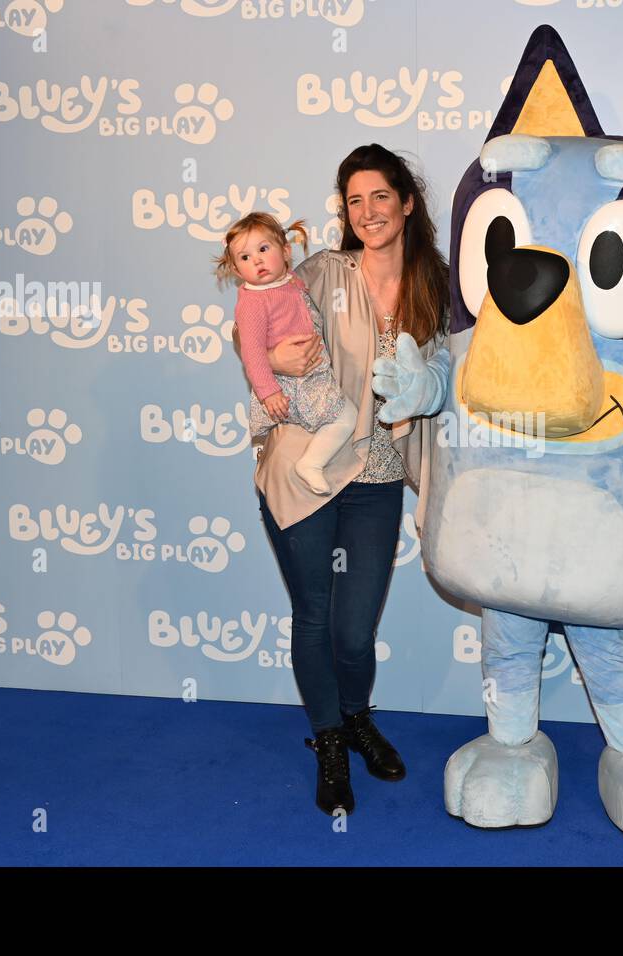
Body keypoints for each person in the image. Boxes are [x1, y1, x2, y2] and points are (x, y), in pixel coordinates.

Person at [253, 144, 451, 816]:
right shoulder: (320, 274)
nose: (367, 212)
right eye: (355, 200)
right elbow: (256, 327)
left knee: (355, 629)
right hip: (306, 471)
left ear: (407, 203)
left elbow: (453, 371)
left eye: (380, 197)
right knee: (314, 614)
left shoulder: (434, 285)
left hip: (378, 479)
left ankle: (357, 716)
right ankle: (330, 741)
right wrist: (274, 356)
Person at [215, 213, 357, 496]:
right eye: (245, 257)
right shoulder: (252, 303)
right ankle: (311, 463)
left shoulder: (290, 281)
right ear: (236, 269)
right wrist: (269, 393)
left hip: (311, 375)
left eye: (263, 249)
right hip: (292, 387)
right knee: (347, 417)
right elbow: (252, 353)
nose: (256, 261)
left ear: (286, 251)